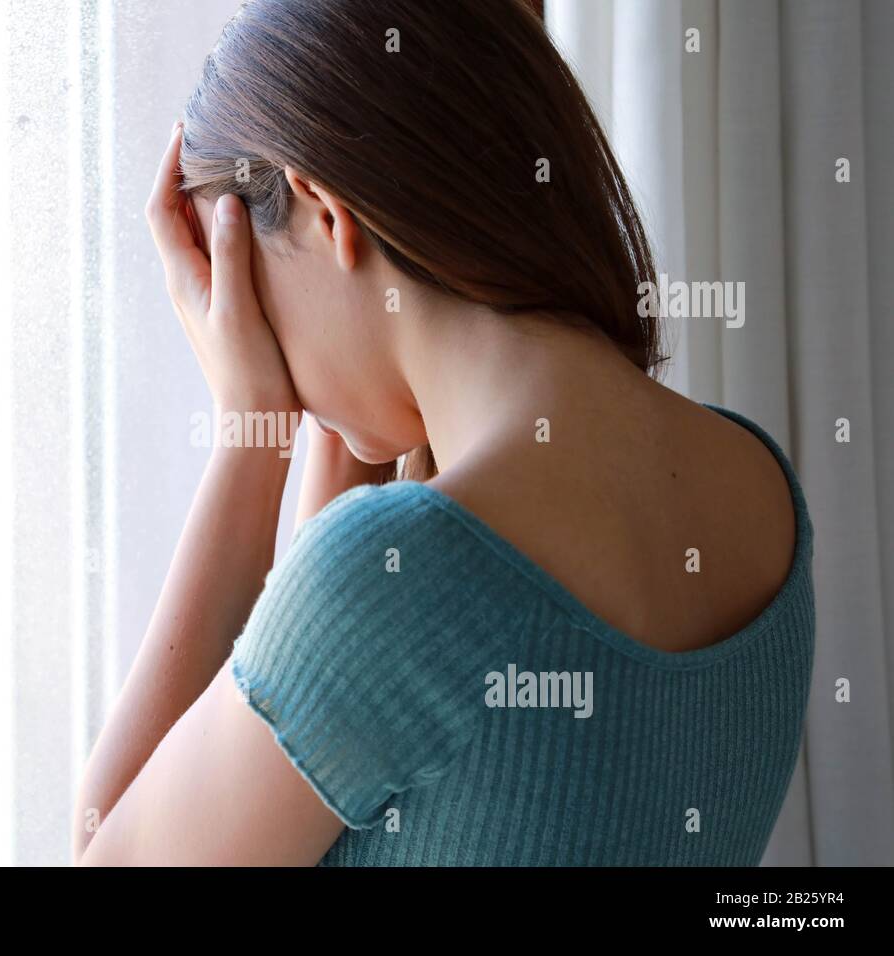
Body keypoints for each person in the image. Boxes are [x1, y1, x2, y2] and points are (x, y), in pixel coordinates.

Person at [72, 0, 814, 866]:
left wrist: (252, 434)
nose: (263, 350)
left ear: (322, 208)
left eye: (255, 303)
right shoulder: (761, 488)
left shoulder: (396, 582)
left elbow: (103, 848)